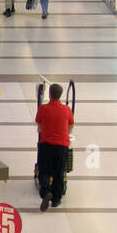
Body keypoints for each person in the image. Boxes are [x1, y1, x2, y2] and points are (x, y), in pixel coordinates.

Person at [36, 82, 74, 211]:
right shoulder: (67, 110)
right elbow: (70, 128)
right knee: (59, 173)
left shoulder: (43, 109)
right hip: (62, 146)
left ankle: (46, 192)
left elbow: (39, 128)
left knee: (44, 171)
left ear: (50, 94)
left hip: (46, 145)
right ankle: (56, 200)